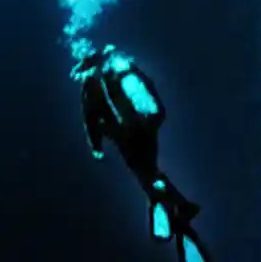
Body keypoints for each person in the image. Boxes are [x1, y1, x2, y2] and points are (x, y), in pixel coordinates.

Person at [73, 44, 212, 260]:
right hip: (146, 126)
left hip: (126, 137)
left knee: (145, 175)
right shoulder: (117, 69)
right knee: (149, 171)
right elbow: (147, 86)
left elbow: (90, 119)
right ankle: (178, 210)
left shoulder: (90, 87)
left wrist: (96, 147)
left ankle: (176, 212)